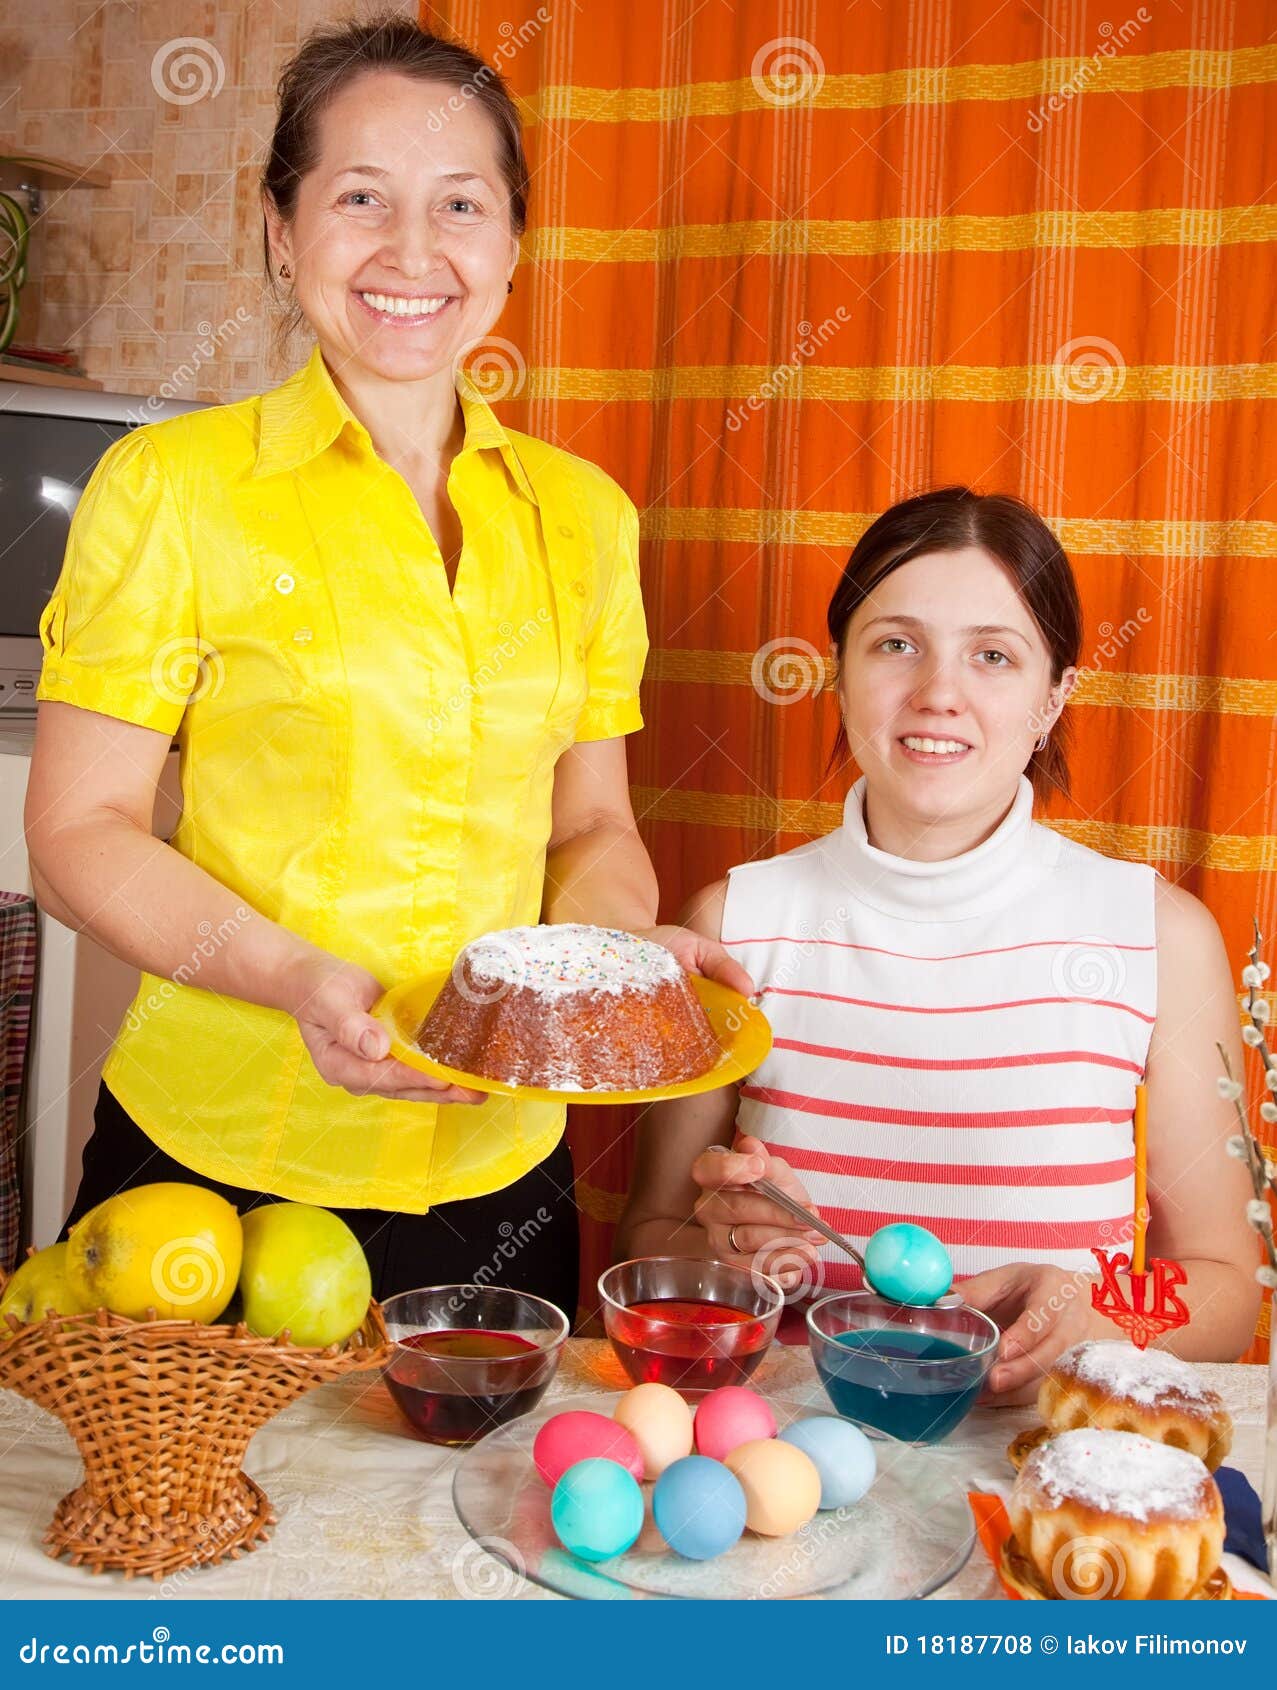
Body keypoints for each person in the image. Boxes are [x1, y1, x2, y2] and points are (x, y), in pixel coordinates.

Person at [25, 18, 747, 1311]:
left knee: (461, 1513)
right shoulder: (174, 491)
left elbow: (588, 823)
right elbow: (79, 832)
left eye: (459, 205)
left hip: (499, 1158)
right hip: (221, 1150)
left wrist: (617, 957)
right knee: (171, 1514)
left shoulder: (582, 518)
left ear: (512, 245)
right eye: (360, 198)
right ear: (279, 229)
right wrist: (294, 978)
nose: (412, 253)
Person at [616, 486, 1260, 1404]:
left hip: (1037, 1453)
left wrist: (1093, 1313)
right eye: (895, 644)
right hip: (793, 1440)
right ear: (838, 670)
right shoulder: (732, 926)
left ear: (1054, 696)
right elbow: (647, 1240)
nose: (937, 695)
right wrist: (725, 1254)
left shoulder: (1159, 934)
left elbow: (1228, 1294)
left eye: (992, 656)